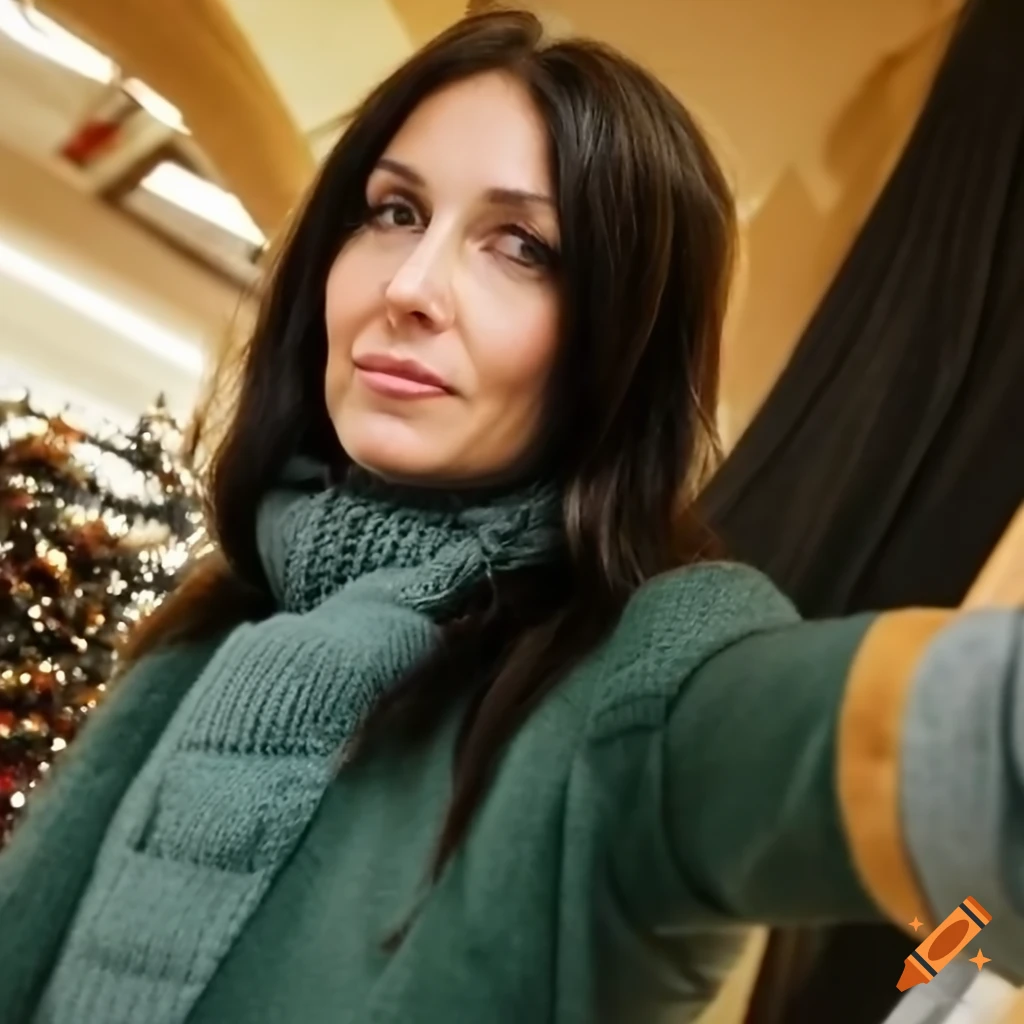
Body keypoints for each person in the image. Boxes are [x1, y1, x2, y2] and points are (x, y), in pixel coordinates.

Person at [0, 10, 1021, 1024]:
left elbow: (932, 742)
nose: (409, 286)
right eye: (394, 211)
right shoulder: (222, 616)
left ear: (619, 348)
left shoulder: (646, 673)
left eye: (522, 246)